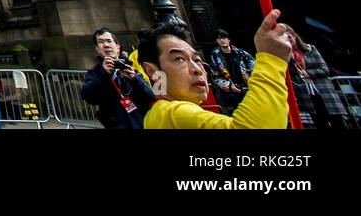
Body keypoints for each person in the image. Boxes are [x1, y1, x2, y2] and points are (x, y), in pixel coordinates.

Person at [140, 11, 292, 129]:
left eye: (197, 60)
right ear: (152, 71)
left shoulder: (157, 115)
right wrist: (271, 60)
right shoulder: (172, 113)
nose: (197, 69)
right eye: (179, 59)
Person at [81, 28, 154, 128]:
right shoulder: (95, 74)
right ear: (97, 49)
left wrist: (135, 79)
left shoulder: (131, 70)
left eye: (109, 41)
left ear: (117, 47)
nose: (106, 45)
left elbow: (151, 96)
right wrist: (104, 74)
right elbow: (89, 97)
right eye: (101, 42)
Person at [288, 27, 347, 129]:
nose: (289, 41)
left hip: (324, 92)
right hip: (307, 94)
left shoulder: (310, 49)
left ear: (295, 36)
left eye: (289, 37)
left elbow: (324, 69)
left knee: (337, 122)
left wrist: (307, 73)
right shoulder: (288, 55)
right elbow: (290, 74)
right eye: (286, 39)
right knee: (319, 122)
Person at [210, 28, 256, 114]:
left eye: (224, 38)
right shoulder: (215, 56)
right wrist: (229, 86)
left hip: (248, 88)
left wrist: (252, 82)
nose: (222, 40)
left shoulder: (240, 53)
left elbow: (254, 67)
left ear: (229, 40)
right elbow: (215, 76)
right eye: (219, 38)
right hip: (230, 91)